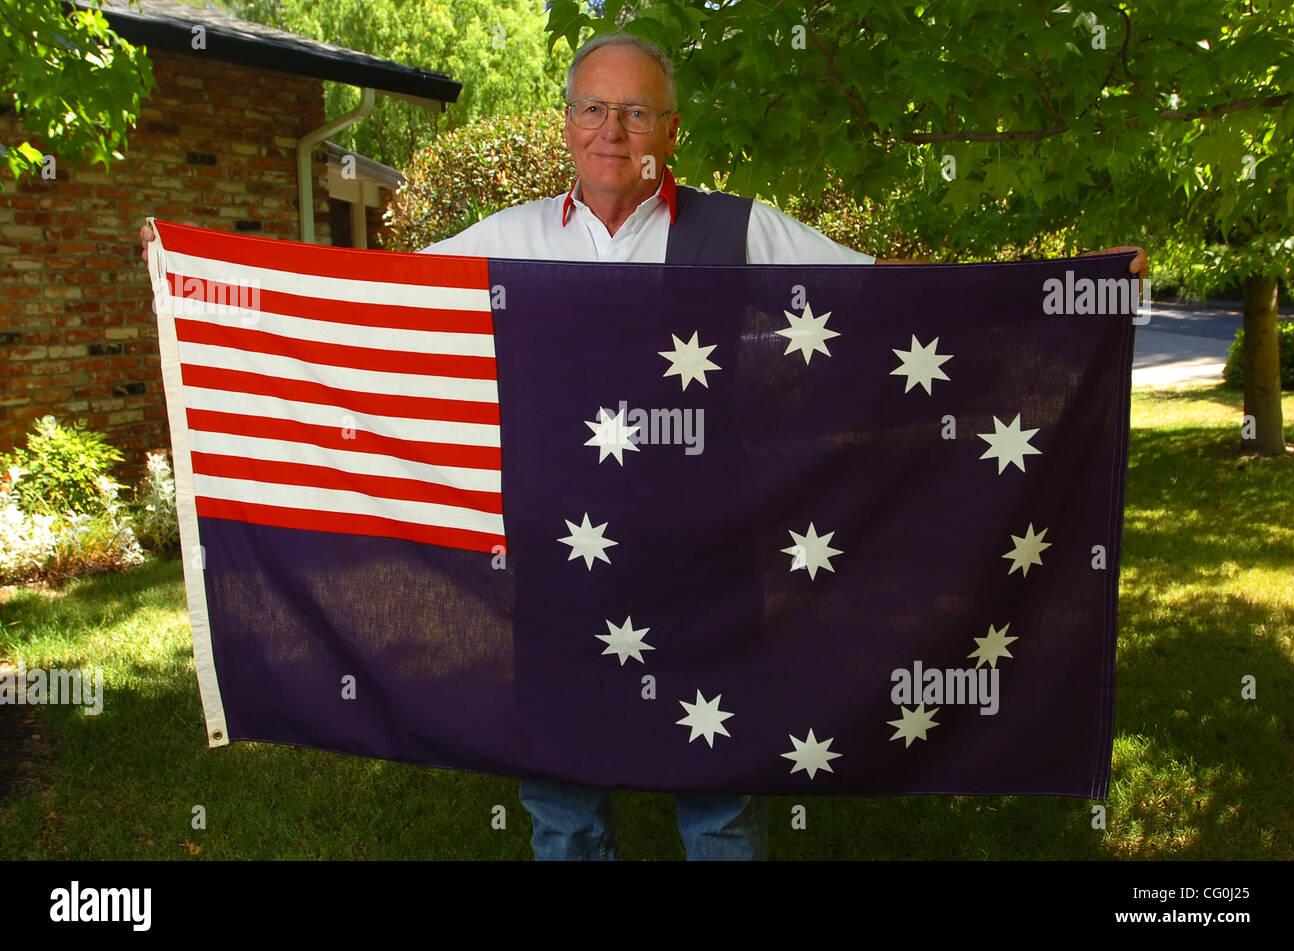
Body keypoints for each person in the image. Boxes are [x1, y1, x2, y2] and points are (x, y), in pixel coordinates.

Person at [139, 32, 1146, 861]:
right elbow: (367, 313)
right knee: (564, 805)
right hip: (557, 577)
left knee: (718, 802)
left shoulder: (741, 232)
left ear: (671, 129)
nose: (613, 132)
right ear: (565, 125)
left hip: (708, 567)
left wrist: (1072, 291)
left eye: (636, 113)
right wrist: (206, 282)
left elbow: (893, 306)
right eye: (593, 109)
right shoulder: (509, 238)